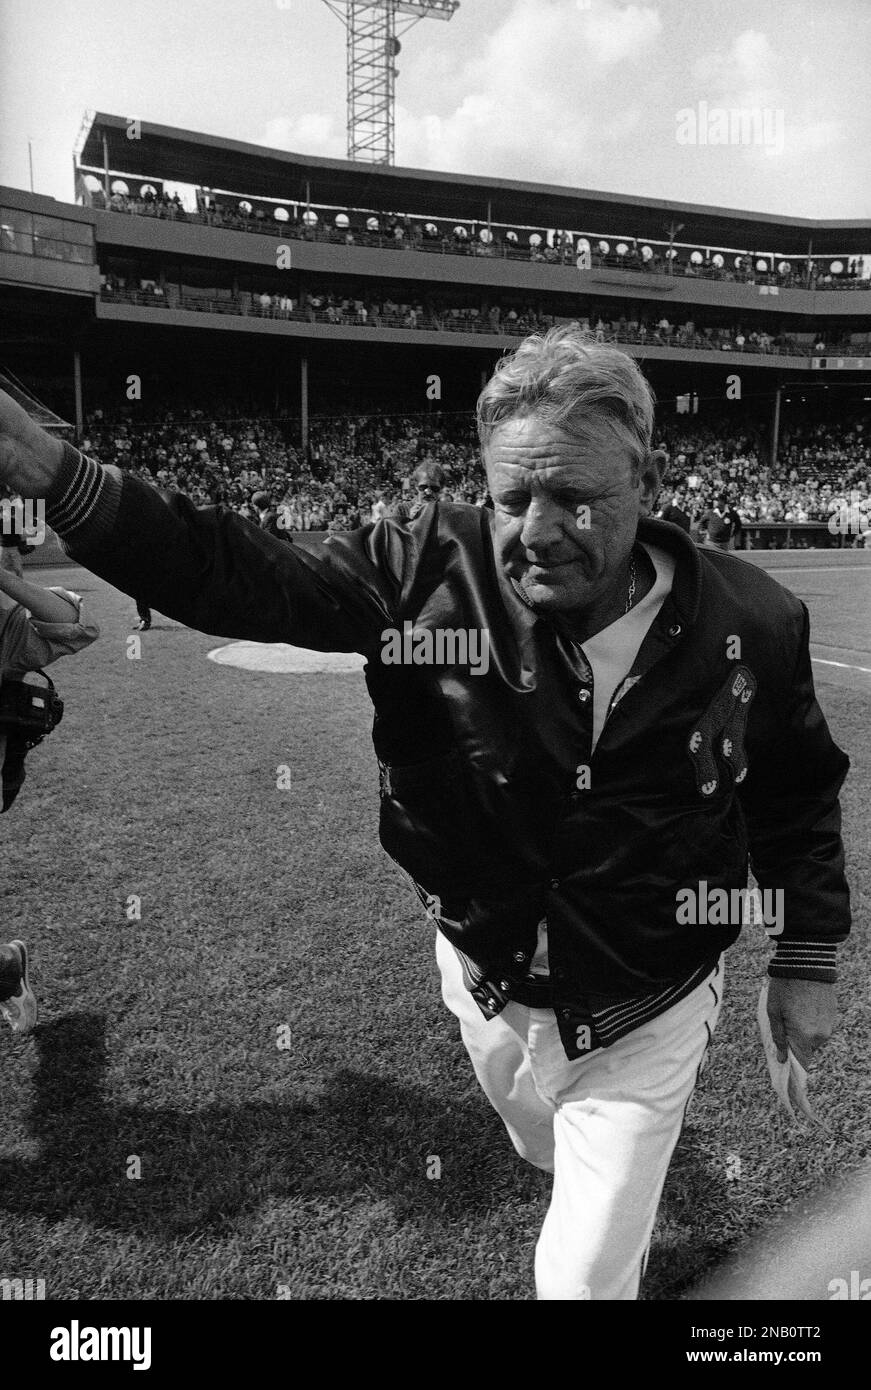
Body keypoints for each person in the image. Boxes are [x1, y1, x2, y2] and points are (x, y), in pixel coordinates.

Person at [0, 326, 850, 1298]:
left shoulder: (756, 622)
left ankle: (614, 1197)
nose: (537, 530)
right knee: (537, 1143)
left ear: (645, 478)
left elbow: (794, 798)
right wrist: (53, 473)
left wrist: (805, 959)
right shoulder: (425, 572)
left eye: (575, 497)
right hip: (482, 968)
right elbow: (236, 571)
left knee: (579, 1281)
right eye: (512, 496)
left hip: (647, 1002)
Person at [0, 563, 99, 1032]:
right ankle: (7, 967)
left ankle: (6, 971)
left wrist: (5, 580)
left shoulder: (4, 627)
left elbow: (72, 623)